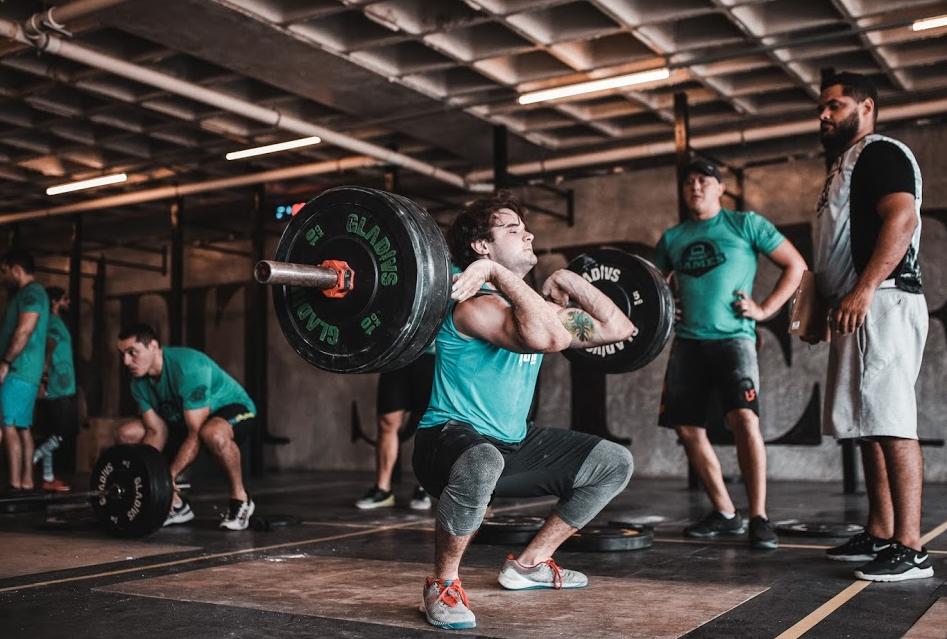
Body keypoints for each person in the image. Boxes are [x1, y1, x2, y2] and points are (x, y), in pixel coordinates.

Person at [411, 192, 636, 630]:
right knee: (483, 458)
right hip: (446, 442)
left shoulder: (534, 309)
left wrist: (569, 280)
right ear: (482, 247)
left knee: (614, 462)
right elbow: (546, 339)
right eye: (513, 230)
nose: (528, 233)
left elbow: (619, 328)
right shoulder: (472, 305)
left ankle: (531, 563)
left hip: (509, 443)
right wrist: (494, 273)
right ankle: (442, 584)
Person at [813, 71, 931, 582]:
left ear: (866, 107)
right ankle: (881, 531)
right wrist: (827, 304)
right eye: (823, 107)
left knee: (891, 421)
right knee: (866, 426)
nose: (824, 115)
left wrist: (862, 290)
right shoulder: (845, 164)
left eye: (835, 105)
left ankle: (911, 547)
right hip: (856, 303)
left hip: (882, 299)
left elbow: (901, 218)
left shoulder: (880, 152)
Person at [654, 159, 806, 549]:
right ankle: (725, 512)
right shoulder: (673, 237)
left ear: (721, 188)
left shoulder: (745, 225)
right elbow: (652, 287)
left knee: (744, 419)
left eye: (704, 180)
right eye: (689, 181)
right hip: (688, 341)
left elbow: (795, 265)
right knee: (687, 428)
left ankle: (759, 516)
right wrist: (669, 303)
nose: (695, 187)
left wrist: (765, 310)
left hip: (735, 340)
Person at [115, 323, 257, 531]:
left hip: (231, 409)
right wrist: (147, 475)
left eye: (132, 353)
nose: (126, 361)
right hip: (184, 419)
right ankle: (177, 506)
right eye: (123, 354)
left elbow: (196, 433)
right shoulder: (138, 383)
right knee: (127, 434)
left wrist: (166, 477)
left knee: (213, 434)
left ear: (153, 346)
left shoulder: (189, 368)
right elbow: (156, 431)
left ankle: (241, 499)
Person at [354, 345, 434, 511]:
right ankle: (383, 490)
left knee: (427, 422)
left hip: (433, 355)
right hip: (396, 354)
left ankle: (424, 487)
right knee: (387, 420)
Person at [0, 249, 49, 491]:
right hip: (26, 370)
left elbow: (25, 330)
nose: (3, 276)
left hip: (19, 369)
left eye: (4, 271)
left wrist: (6, 362)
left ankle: (14, 484)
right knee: (22, 427)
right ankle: (26, 482)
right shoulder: (29, 294)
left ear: (16, 270)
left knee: (7, 425)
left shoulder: (32, 292)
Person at [34, 286, 78, 492]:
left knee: (54, 432)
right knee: (62, 432)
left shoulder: (57, 321)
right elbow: (49, 348)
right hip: (57, 388)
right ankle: (32, 458)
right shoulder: (52, 322)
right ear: (55, 301)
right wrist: (43, 379)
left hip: (63, 385)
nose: (67, 302)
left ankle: (48, 477)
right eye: (65, 298)